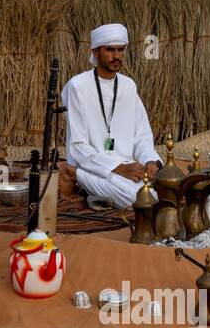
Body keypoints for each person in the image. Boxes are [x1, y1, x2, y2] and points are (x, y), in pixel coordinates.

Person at [59, 24, 162, 209]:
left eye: (120, 50)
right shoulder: (78, 86)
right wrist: (118, 167)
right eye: (110, 50)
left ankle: (93, 187)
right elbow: (78, 146)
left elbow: (142, 134)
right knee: (138, 200)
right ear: (96, 52)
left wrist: (149, 160)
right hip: (92, 164)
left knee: (159, 193)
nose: (116, 56)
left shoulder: (128, 86)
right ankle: (70, 173)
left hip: (126, 167)